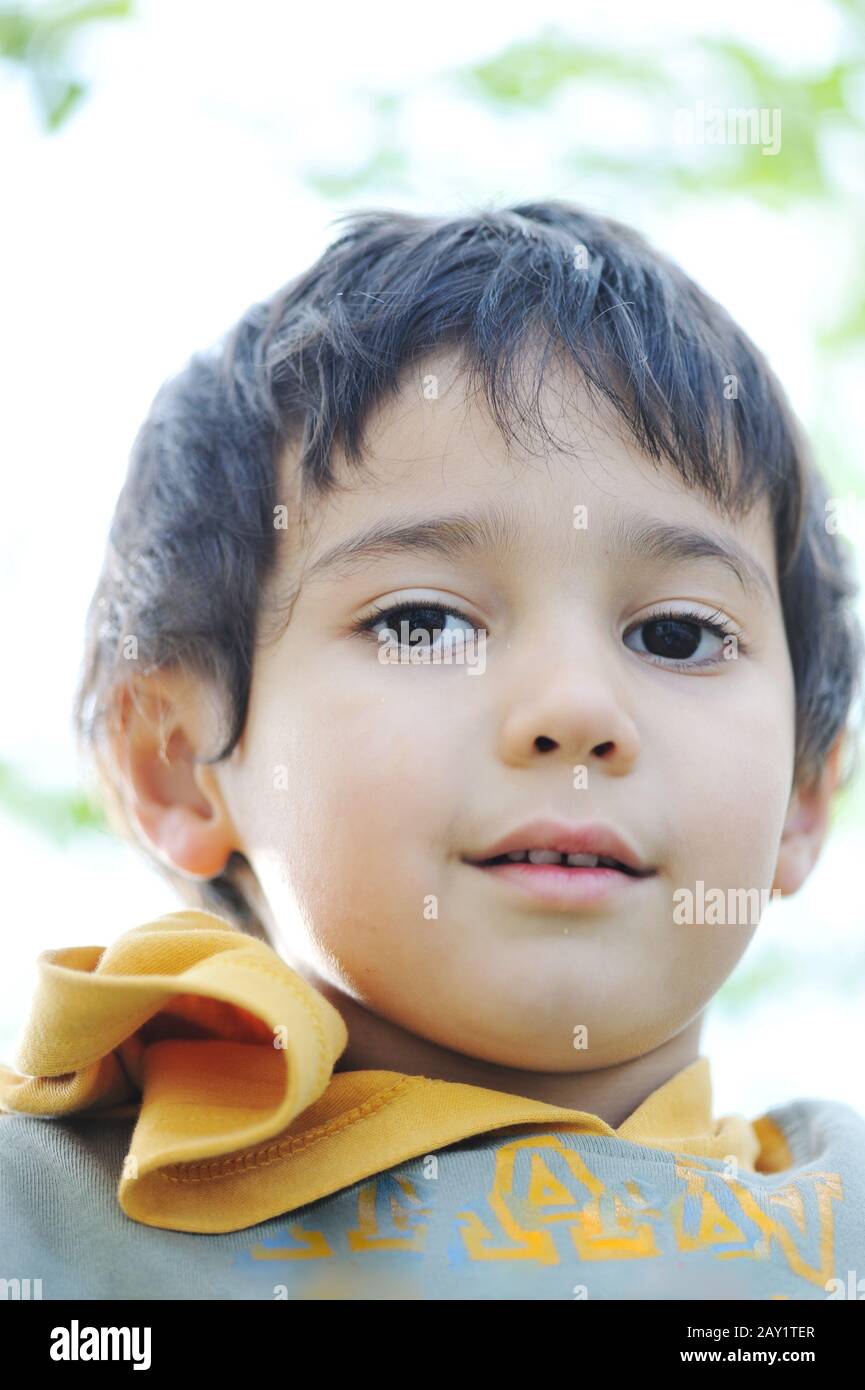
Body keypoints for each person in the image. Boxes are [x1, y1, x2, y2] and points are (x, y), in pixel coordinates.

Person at [2, 201, 864, 1300]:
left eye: (677, 634)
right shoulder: (46, 1223)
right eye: (425, 623)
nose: (575, 710)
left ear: (801, 792)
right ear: (177, 759)